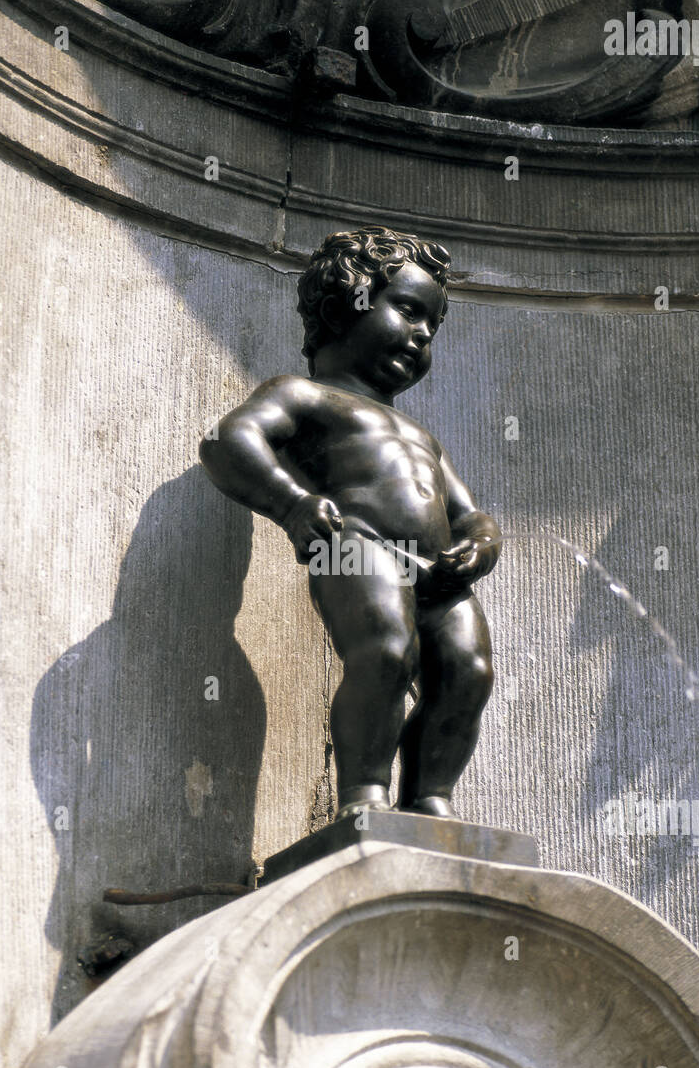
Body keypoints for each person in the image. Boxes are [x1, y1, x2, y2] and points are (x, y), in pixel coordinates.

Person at [201, 226, 500, 820]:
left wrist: (479, 544)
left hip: (440, 575)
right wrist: (290, 504)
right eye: (410, 311)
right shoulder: (304, 396)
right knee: (387, 651)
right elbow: (228, 440)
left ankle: (430, 798)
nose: (421, 334)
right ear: (345, 304)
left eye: (432, 326)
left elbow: (470, 514)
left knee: (468, 672)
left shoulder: (422, 437)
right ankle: (364, 795)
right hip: (353, 545)